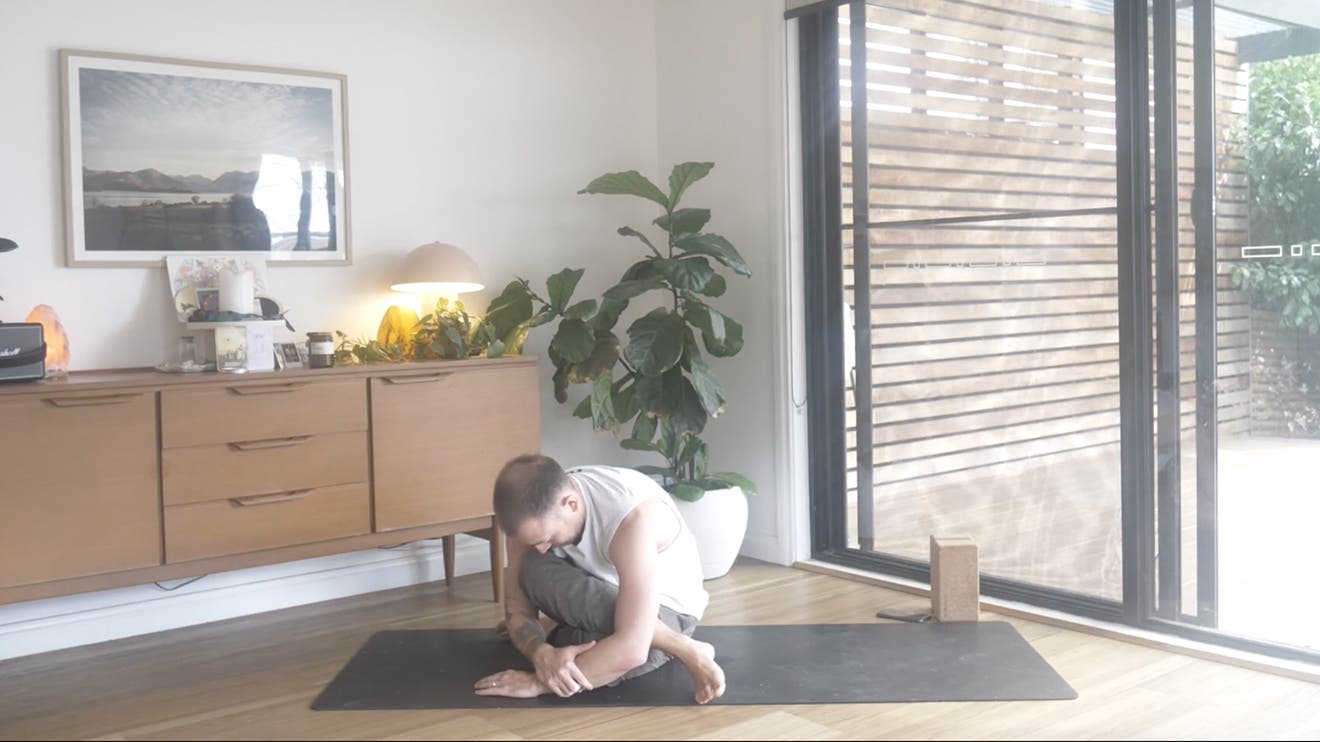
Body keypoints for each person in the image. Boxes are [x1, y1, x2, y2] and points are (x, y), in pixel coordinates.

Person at [472, 454, 726, 704]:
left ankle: (681, 645)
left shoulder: (630, 517)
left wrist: (537, 682)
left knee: (596, 649)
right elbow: (517, 613)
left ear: (570, 504)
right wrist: (541, 653)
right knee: (533, 569)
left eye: (546, 539)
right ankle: (669, 646)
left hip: (668, 610)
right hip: (597, 591)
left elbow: (631, 649)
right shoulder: (528, 515)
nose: (542, 548)